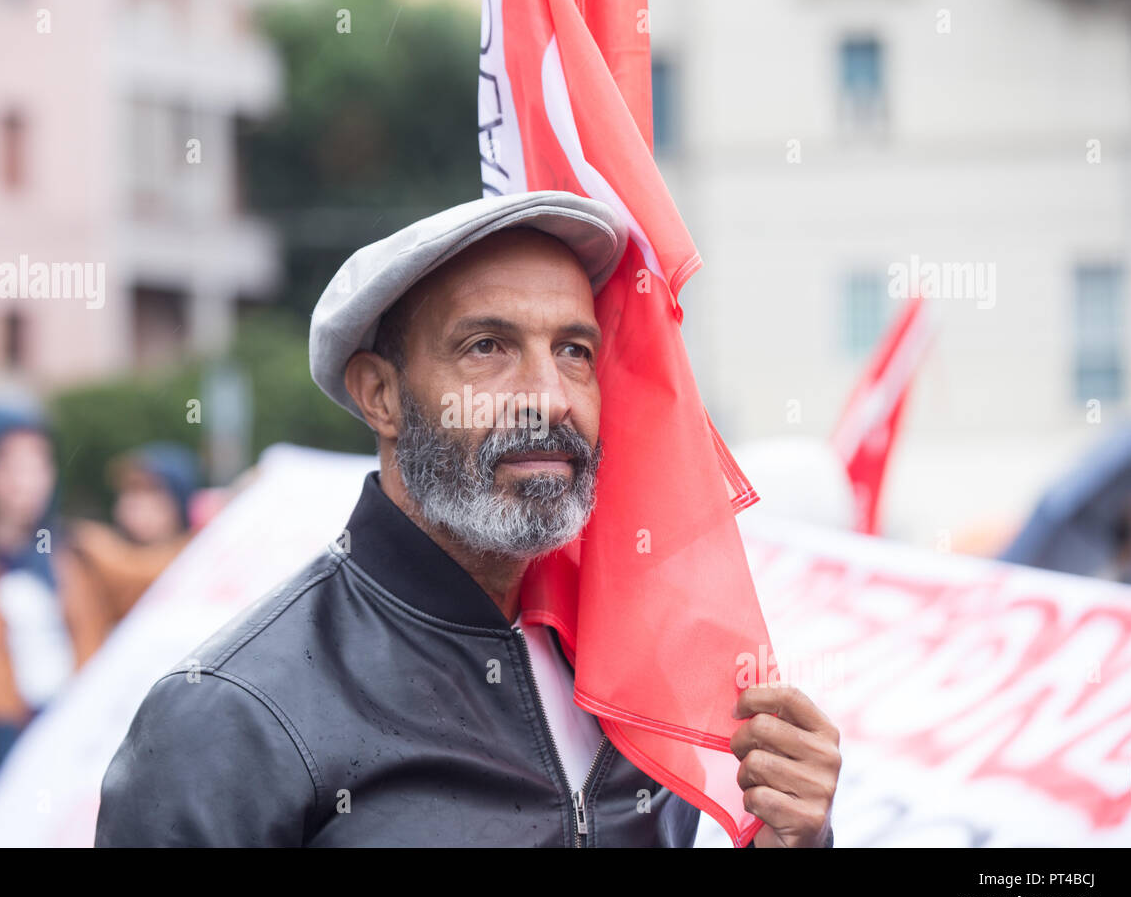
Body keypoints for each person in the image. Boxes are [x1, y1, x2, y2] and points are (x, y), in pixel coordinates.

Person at [96, 191, 840, 847]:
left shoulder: (635, 664)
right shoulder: (232, 715)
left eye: (575, 351)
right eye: (488, 348)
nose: (549, 397)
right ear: (380, 396)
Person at [0, 404, 180, 846]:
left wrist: (229, 513)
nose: (24, 479)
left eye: (37, 462)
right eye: (7, 463)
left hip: (76, 770)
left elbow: (168, 576)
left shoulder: (78, 553)